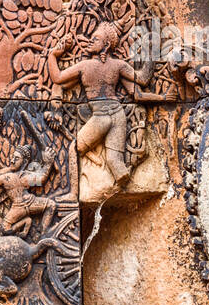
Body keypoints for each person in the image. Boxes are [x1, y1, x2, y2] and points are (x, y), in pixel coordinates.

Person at [45, 22, 168, 186]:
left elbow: (58, 78)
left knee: (74, 149)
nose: (90, 41)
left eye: (95, 39)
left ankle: (72, 193)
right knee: (115, 161)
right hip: (118, 115)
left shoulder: (86, 66)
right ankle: (127, 189)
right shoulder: (118, 65)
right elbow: (142, 81)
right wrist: (152, 53)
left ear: (106, 45)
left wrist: (53, 55)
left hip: (102, 117)